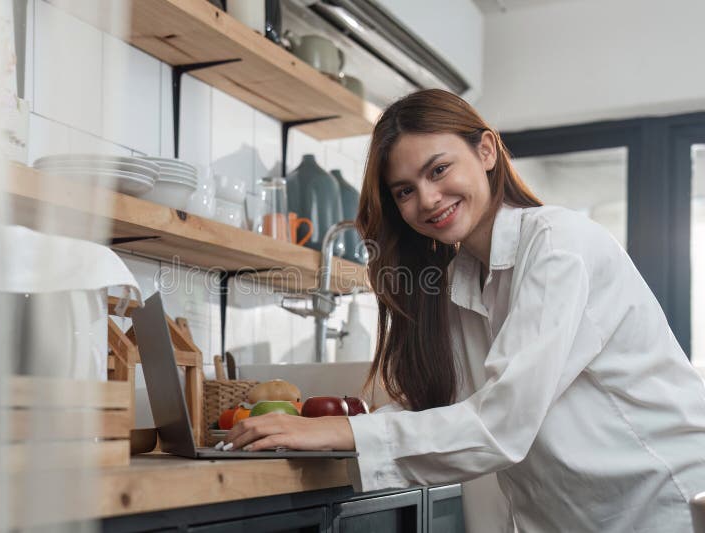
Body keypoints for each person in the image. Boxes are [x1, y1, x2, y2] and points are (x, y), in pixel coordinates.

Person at [225, 89, 705, 531]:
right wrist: (315, 428)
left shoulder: (558, 245)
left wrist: (343, 429)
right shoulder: (461, 280)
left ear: (486, 152)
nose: (427, 200)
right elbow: (446, 403)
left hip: (664, 505)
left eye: (438, 170)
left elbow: (501, 422)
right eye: (404, 190)